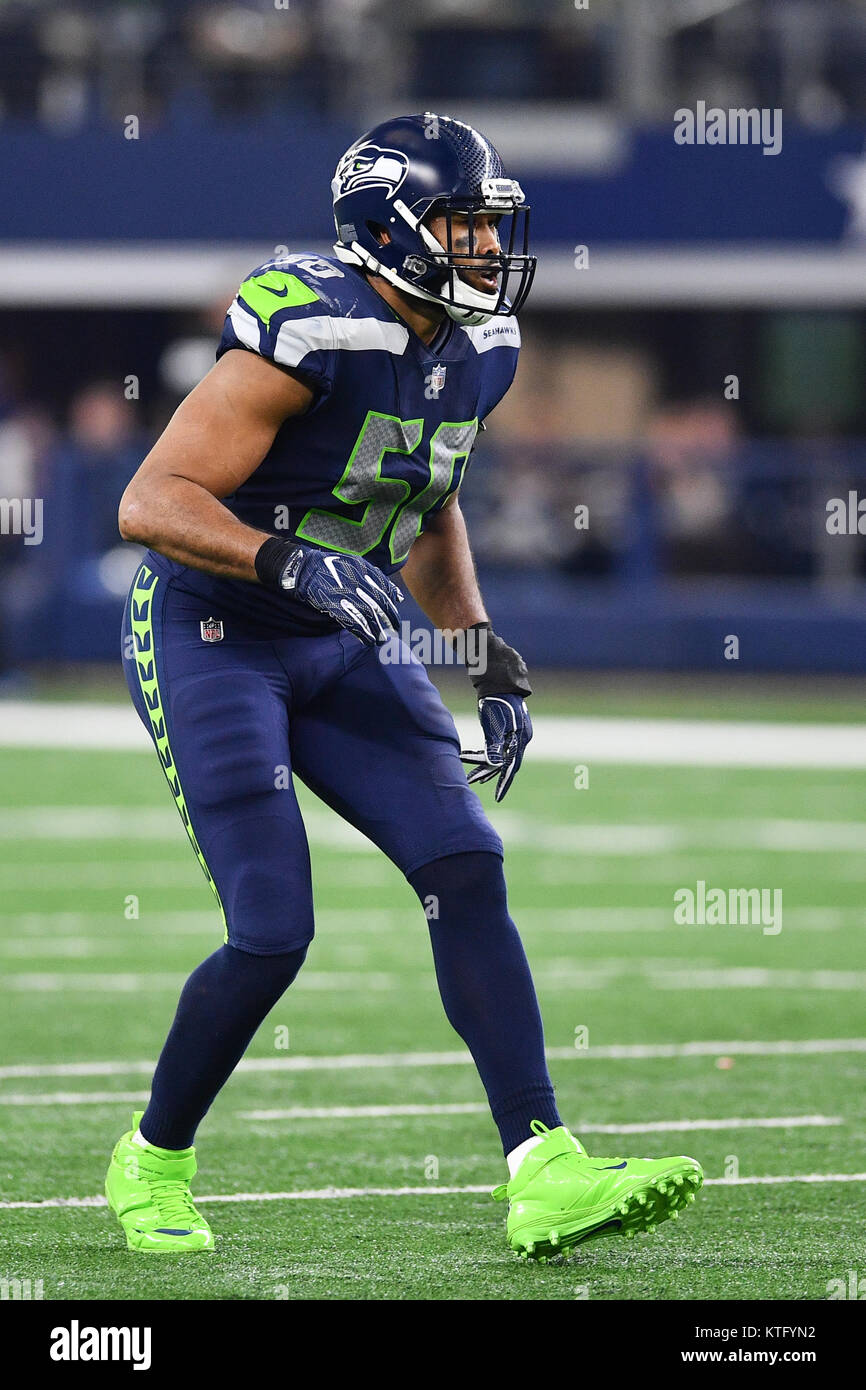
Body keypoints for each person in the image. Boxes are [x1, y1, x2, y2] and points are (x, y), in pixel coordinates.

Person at [105, 113, 702, 1261]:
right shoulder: (310, 324)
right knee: (273, 930)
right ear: (391, 229)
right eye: (462, 225)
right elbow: (151, 497)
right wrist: (290, 558)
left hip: (343, 636)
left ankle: (542, 1169)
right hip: (215, 626)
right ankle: (153, 1156)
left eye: (488, 226)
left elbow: (427, 502)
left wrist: (483, 660)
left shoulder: (477, 349)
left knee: (465, 867)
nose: (485, 248)